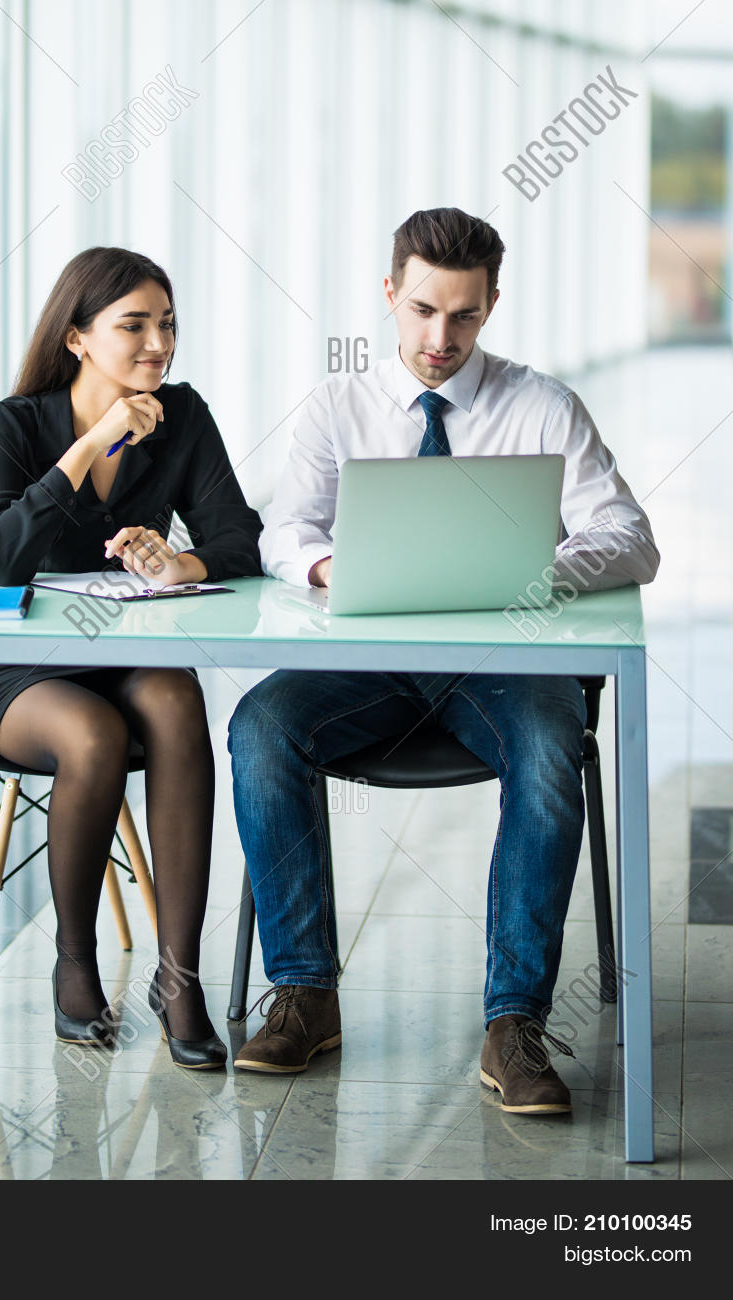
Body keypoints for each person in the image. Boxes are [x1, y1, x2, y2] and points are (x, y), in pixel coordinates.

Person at [227, 206, 660, 1113]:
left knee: (551, 752)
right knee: (260, 726)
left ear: (492, 304)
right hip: (367, 666)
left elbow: (630, 538)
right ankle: (305, 994)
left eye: (464, 316)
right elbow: (284, 532)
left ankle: (515, 1026)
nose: (439, 338)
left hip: (504, 667)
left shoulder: (541, 404)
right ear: (390, 295)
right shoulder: (336, 407)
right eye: (423, 311)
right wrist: (325, 565)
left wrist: (541, 572)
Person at [0, 245, 263, 1068]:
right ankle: (75, 960)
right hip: (17, 670)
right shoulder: (10, 423)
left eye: (166, 324)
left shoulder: (182, 416)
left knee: (176, 697)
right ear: (78, 338)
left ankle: (179, 976)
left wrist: (179, 564)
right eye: (134, 326)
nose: (158, 344)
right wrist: (91, 442)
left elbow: (239, 536)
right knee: (90, 735)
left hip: (124, 649)